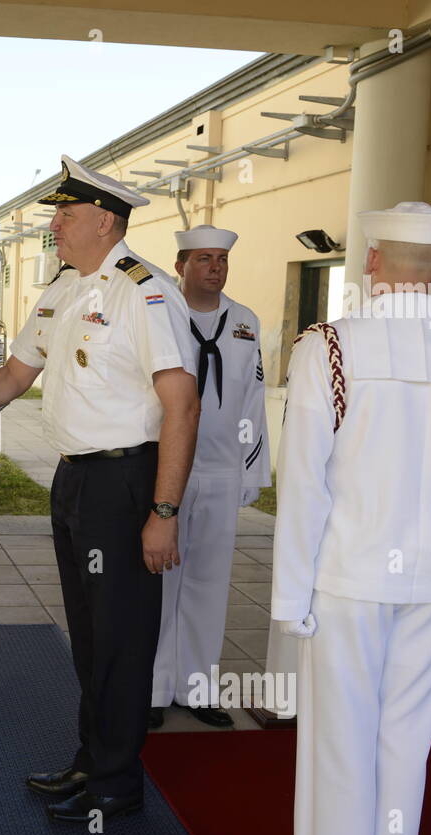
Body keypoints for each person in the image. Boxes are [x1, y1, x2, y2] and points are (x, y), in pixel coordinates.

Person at [0, 155, 199, 824]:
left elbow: (182, 404)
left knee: (123, 636)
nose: (54, 224)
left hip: (127, 479)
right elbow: (17, 375)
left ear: (105, 219)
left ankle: (116, 784)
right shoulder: (65, 288)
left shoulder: (145, 290)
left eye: (65, 214)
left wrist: (163, 511)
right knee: (89, 633)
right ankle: (92, 757)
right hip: (76, 477)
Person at [269, 201, 431, 835]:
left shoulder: (332, 347)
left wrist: (291, 594)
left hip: (349, 580)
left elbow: (304, 480)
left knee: (340, 747)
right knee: (407, 745)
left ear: (373, 260)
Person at [148, 226, 269, 729]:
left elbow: (254, 398)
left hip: (220, 467)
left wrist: (251, 467)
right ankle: (152, 690)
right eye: (203, 259)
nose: (215, 268)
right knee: (159, 583)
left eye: (221, 259)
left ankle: (195, 688)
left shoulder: (244, 322)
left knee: (209, 582)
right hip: (165, 470)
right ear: (180, 266)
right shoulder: (158, 315)